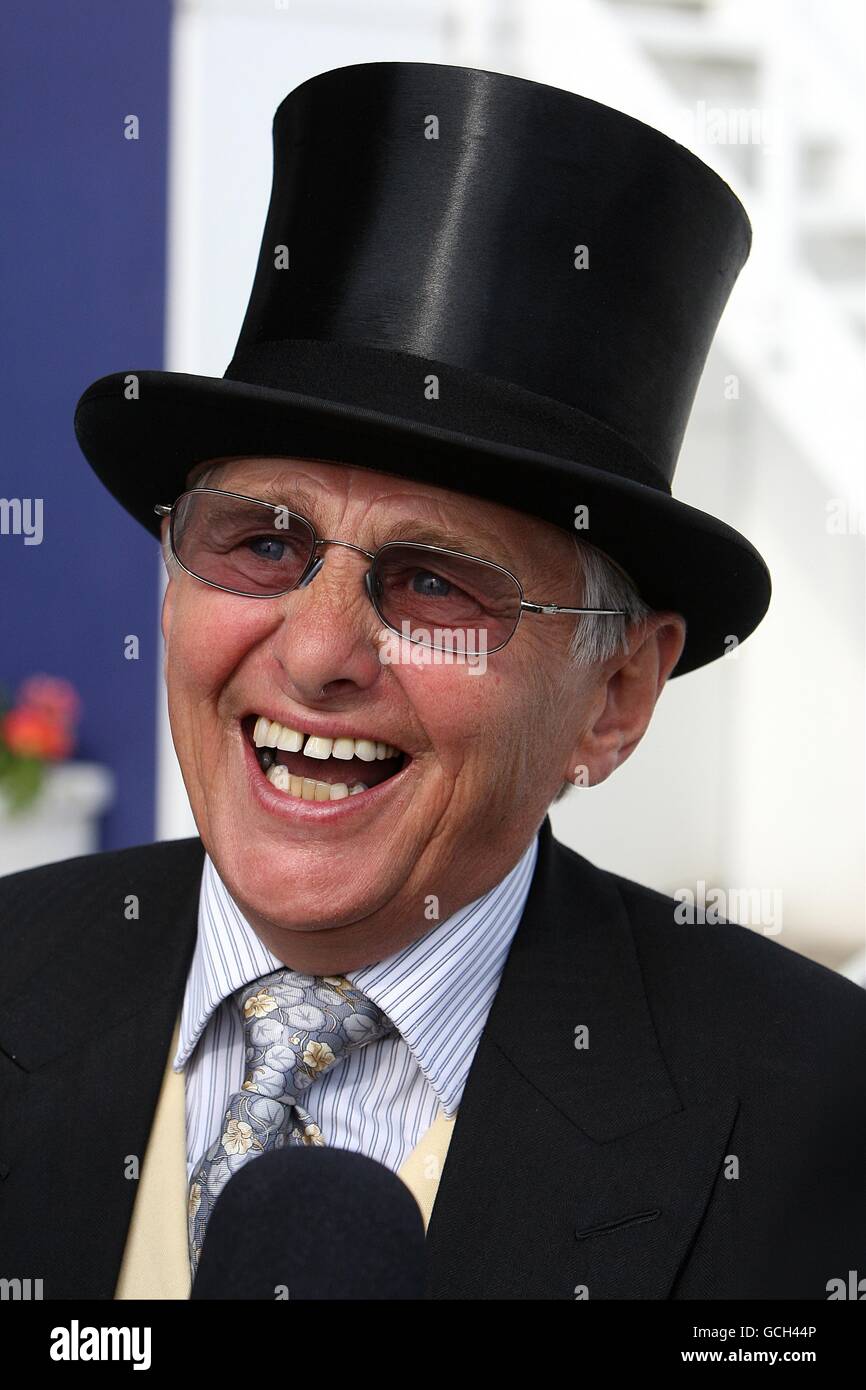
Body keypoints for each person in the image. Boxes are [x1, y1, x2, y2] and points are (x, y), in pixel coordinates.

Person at [1, 61, 863, 1301]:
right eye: (261, 543)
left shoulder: (811, 1119)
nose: (313, 652)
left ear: (614, 695)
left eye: (435, 585)